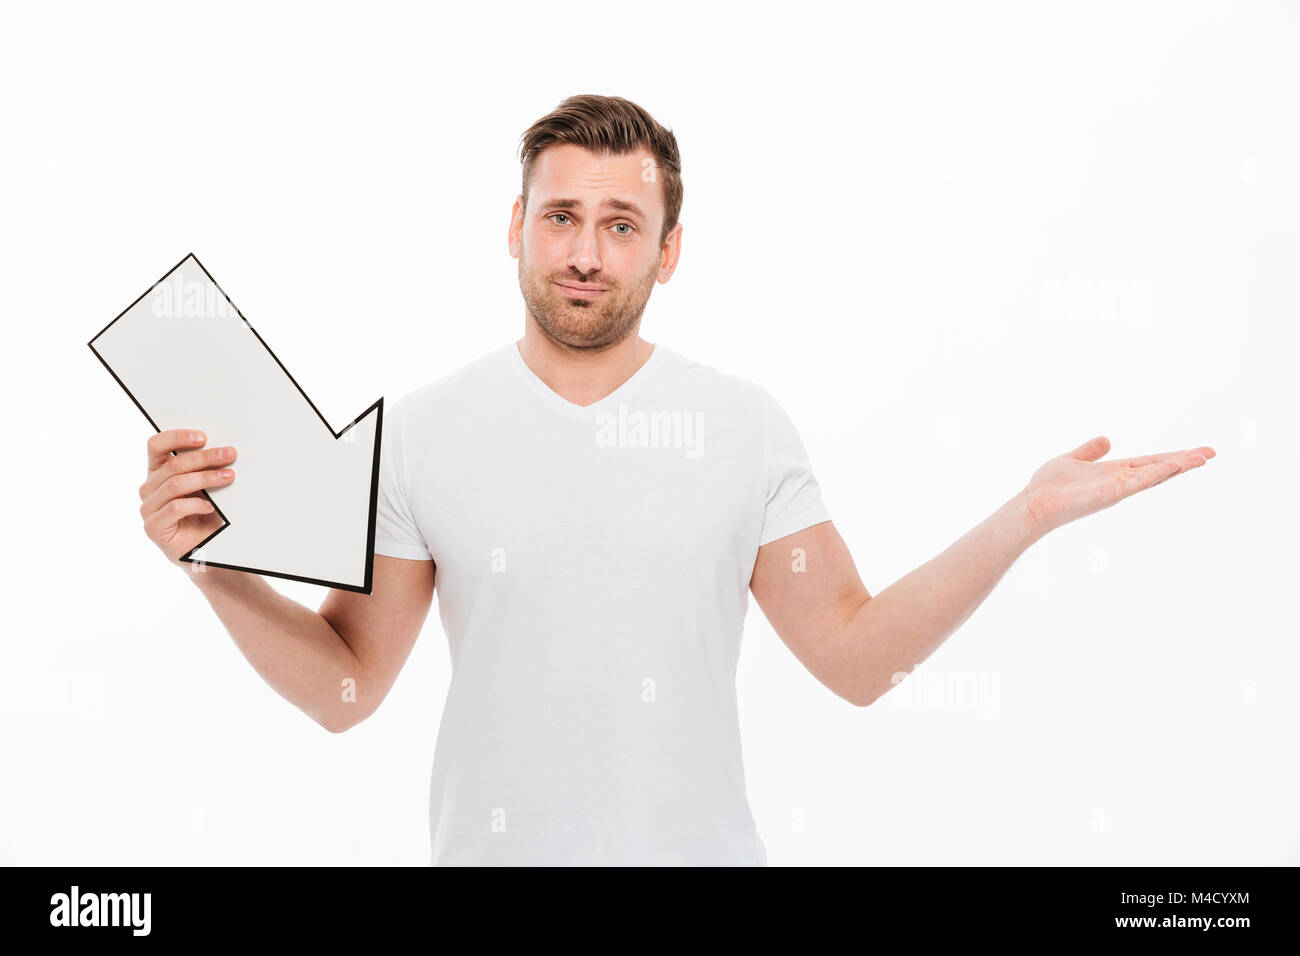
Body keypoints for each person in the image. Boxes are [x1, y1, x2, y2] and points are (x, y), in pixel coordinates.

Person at [135, 94, 1215, 866]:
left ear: (668, 249)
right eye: (560, 217)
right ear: (516, 228)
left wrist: (1018, 518)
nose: (584, 254)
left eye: (621, 225)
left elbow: (852, 658)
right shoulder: (424, 431)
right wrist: (213, 570)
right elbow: (345, 687)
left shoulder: (740, 426)